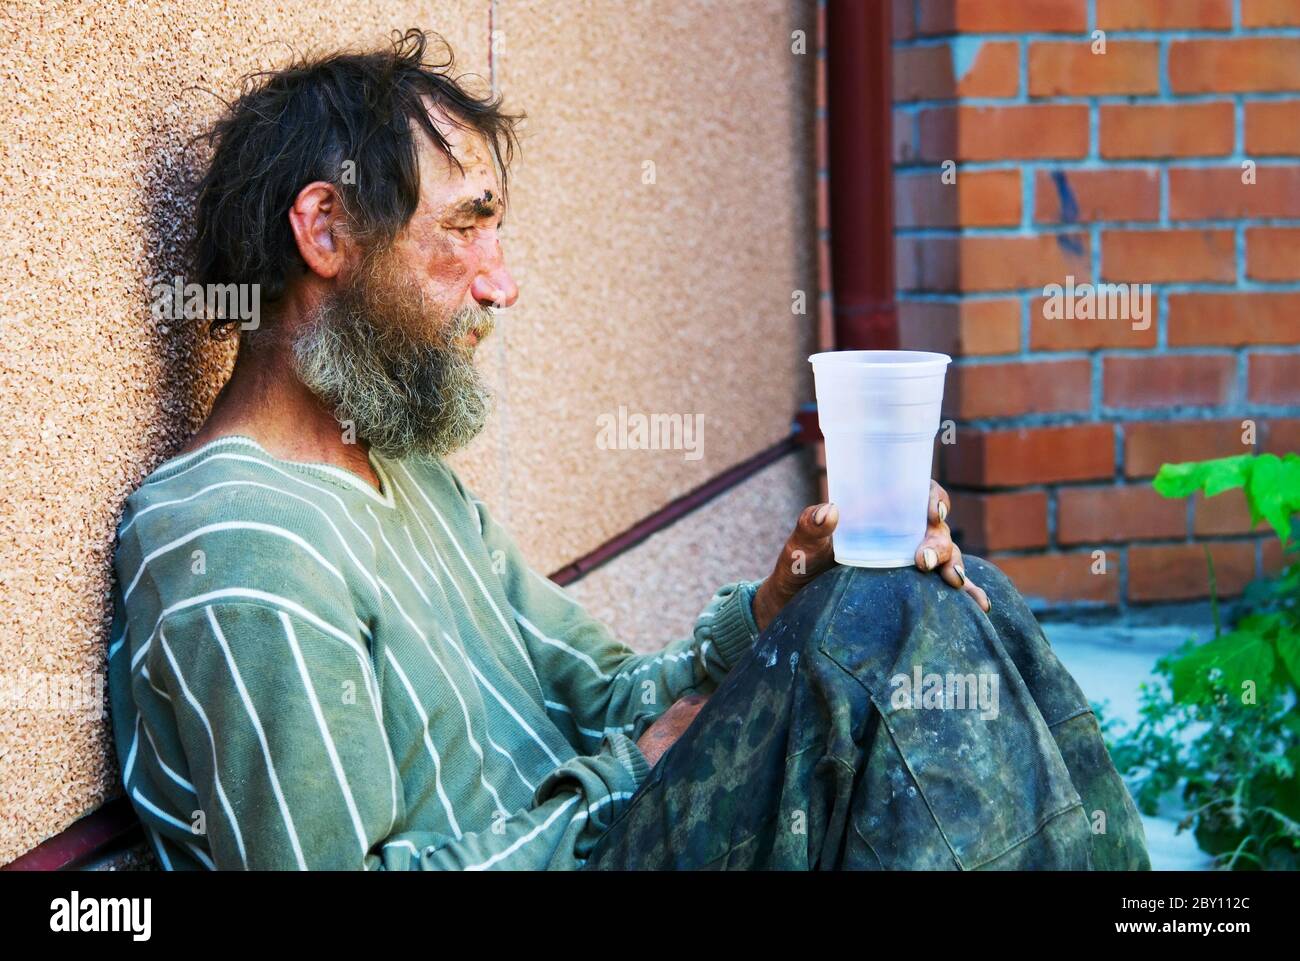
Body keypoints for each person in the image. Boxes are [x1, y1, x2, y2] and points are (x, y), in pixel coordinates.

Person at [107, 29, 1147, 870]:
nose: (500, 282)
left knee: (943, 592)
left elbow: (607, 699)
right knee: (887, 620)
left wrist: (776, 607)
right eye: (466, 228)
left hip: (617, 830)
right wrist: (626, 776)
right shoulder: (239, 545)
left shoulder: (405, 473)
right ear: (325, 232)